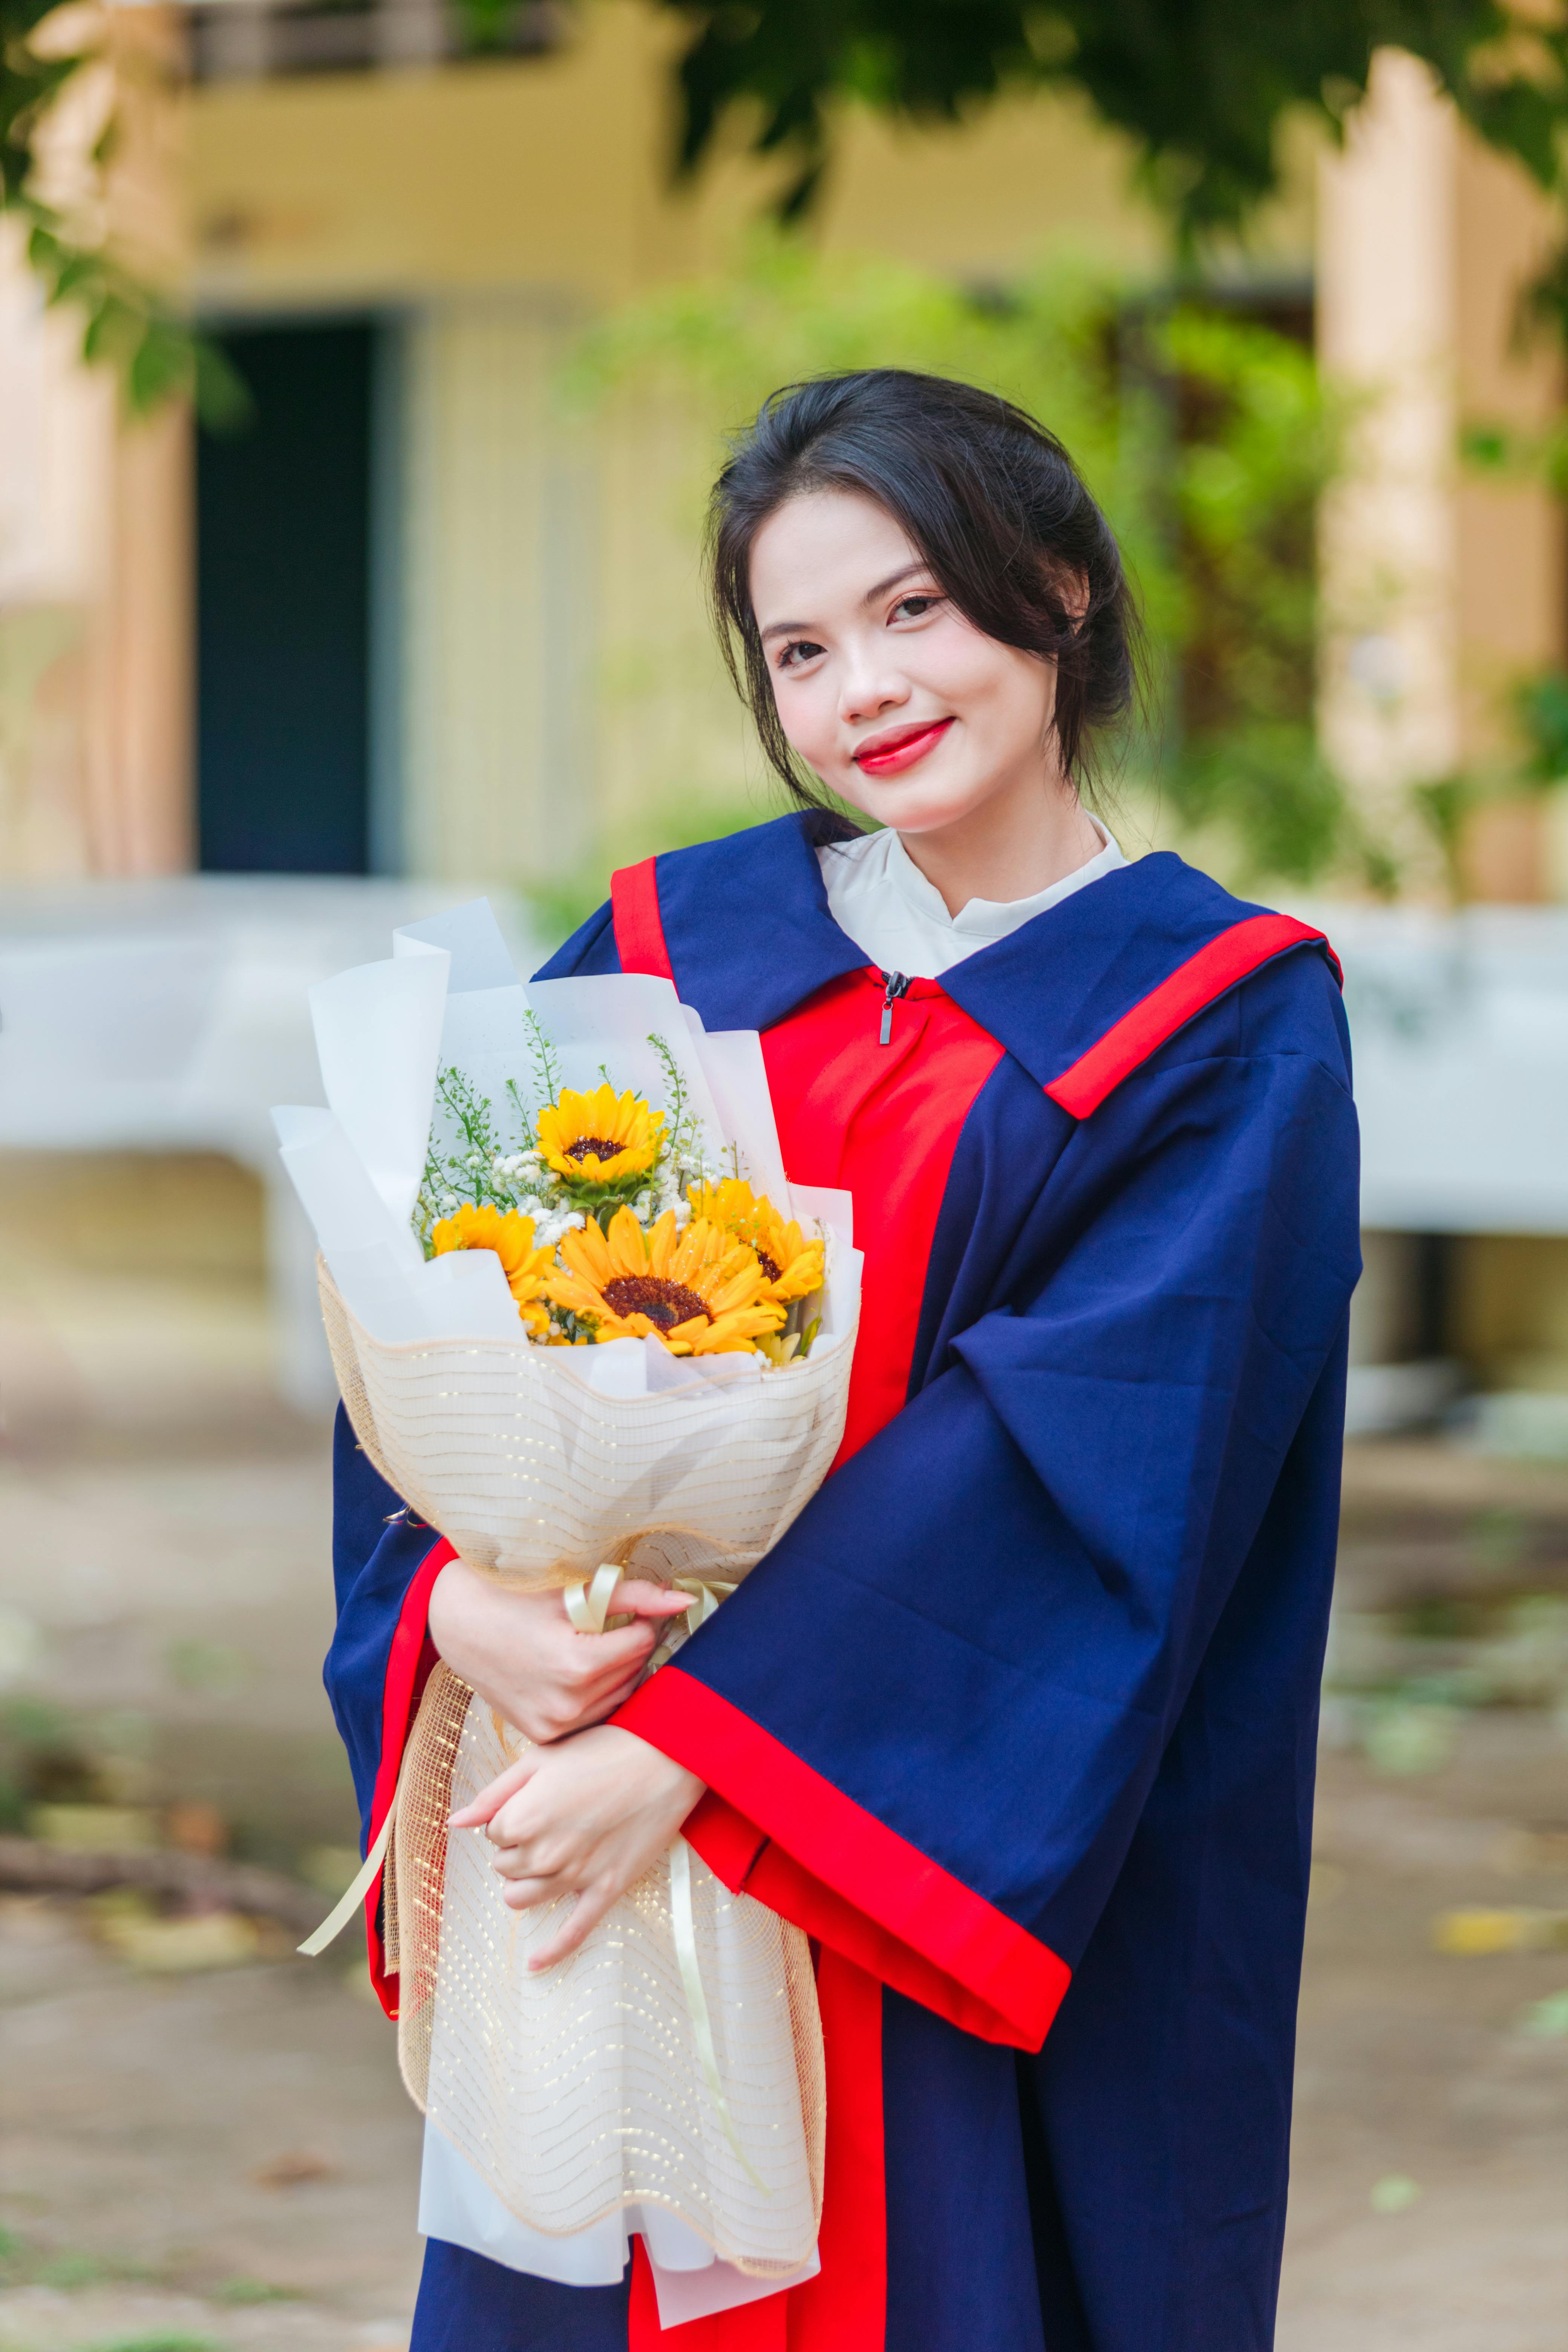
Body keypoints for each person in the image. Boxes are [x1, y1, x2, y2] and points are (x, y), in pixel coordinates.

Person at [326, 369, 1361, 2352]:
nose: (864, 688)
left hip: (930, 1853)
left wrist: (697, 1757)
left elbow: (1095, 1472)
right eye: (800, 650)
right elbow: (455, 1308)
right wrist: (464, 1608)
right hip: (597, 1798)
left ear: (1056, 589)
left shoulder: (1218, 1026)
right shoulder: (668, 940)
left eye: (914, 610)